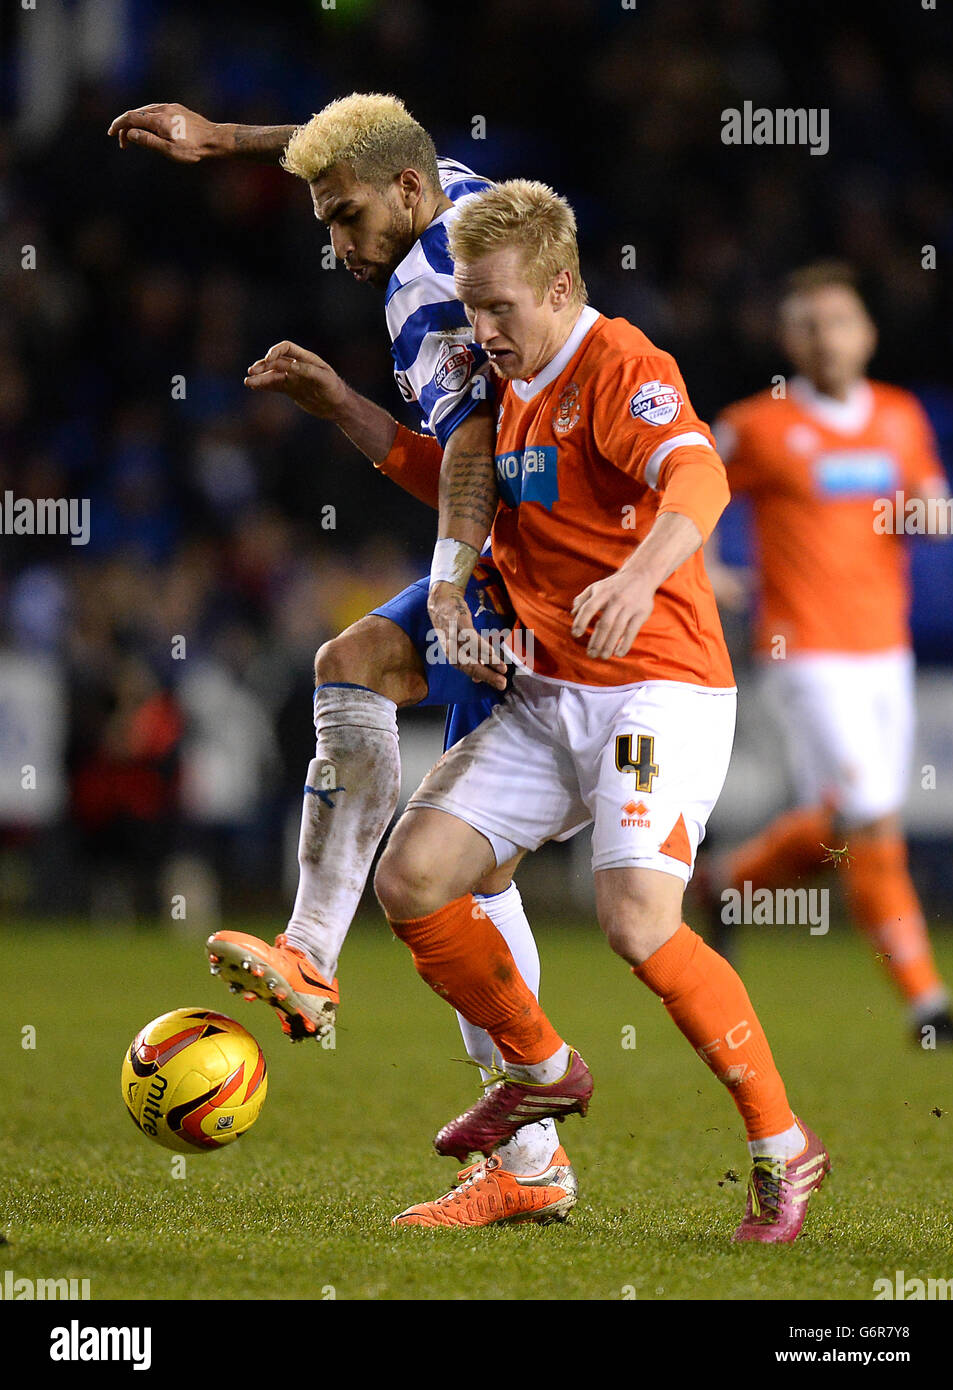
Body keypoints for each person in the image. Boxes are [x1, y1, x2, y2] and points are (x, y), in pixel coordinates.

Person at [109, 92, 577, 1225]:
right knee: (356, 667)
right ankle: (328, 966)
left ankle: (525, 1145)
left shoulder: (427, 287)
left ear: (404, 201)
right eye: (324, 220)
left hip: (535, 568)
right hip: (545, 539)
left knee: (457, 856)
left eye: (346, 218)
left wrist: (457, 579)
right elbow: (373, 142)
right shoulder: (452, 193)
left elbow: (461, 453)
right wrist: (228, 142)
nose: (337, 243)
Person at [373, 179, 830, 1243]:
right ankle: (542, 1070)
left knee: (634, 921)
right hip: (548, 691)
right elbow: (453, 482)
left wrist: (640, 578)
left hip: (653, 691)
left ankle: (781, 1143)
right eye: (470, 310)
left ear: (562, 286)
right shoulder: (517, 381)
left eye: (499, 309)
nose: (481, 333)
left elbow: (698, 474)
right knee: (413, 876)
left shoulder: (619, 363)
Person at [702, 261, 953, 1046]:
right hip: (803, 650)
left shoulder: (900, 415)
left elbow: (931, 503)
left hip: (886, 649)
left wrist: (932, 515)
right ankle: (927, 1005)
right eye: (808, 324)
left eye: (840, 321)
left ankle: (726, 884)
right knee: (870, 818)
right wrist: (705, 564)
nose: (826, 337)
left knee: (845, 827)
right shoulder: (760, 423)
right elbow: (692, 480)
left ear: (867, 333)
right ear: (787, 338)